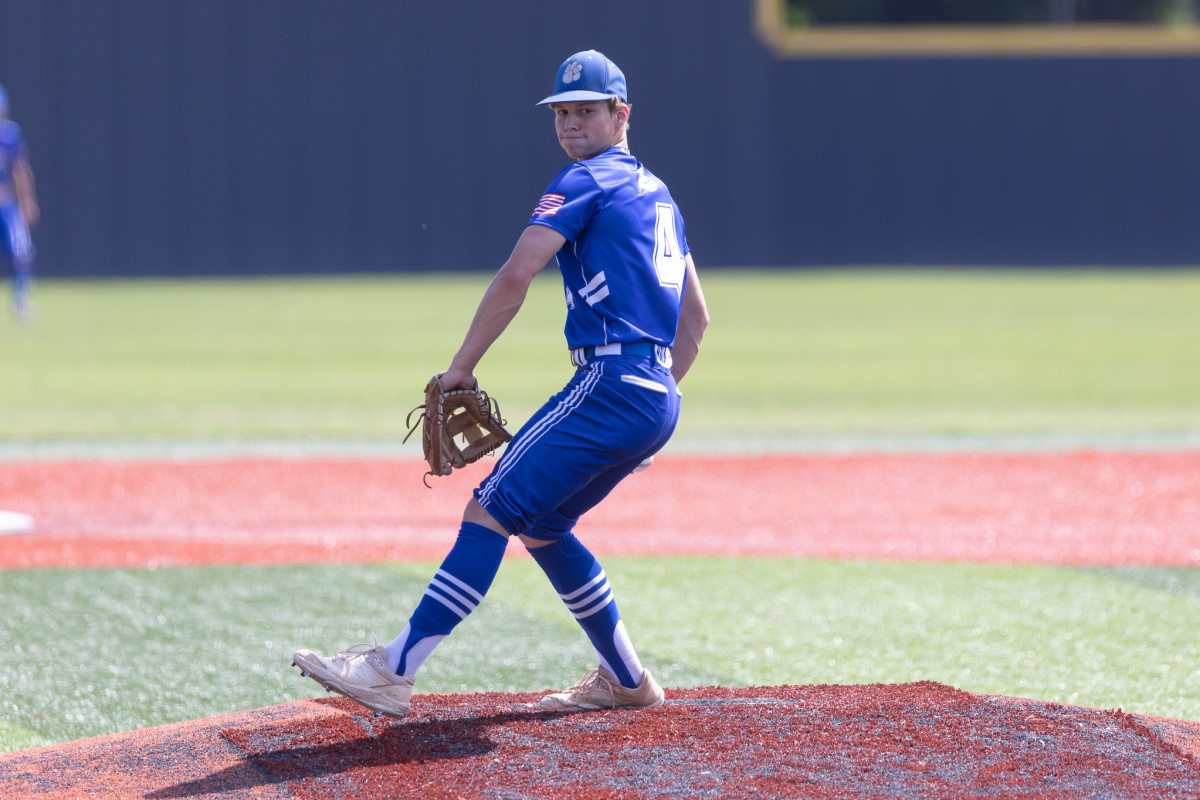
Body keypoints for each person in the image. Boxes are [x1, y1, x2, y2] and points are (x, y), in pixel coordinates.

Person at [293, 50, 709, 717]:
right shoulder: (660, 196)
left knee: (489, 507)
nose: (572, 124)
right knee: (544, 523)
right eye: (562, 113)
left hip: (609, 379)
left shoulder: (583, 182)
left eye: (587, 111)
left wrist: (461, 367)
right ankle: (627, 679)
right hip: (655, 391)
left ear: (621, 114)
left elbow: (518, 274)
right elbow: (696, 319)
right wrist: (659, 403)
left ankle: (393, 668)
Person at [0, 83, 39, 322]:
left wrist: (27, 201)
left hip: (5, 203)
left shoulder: (10, 135)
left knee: (22, 251)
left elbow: (21, 170)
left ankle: (21, 300)